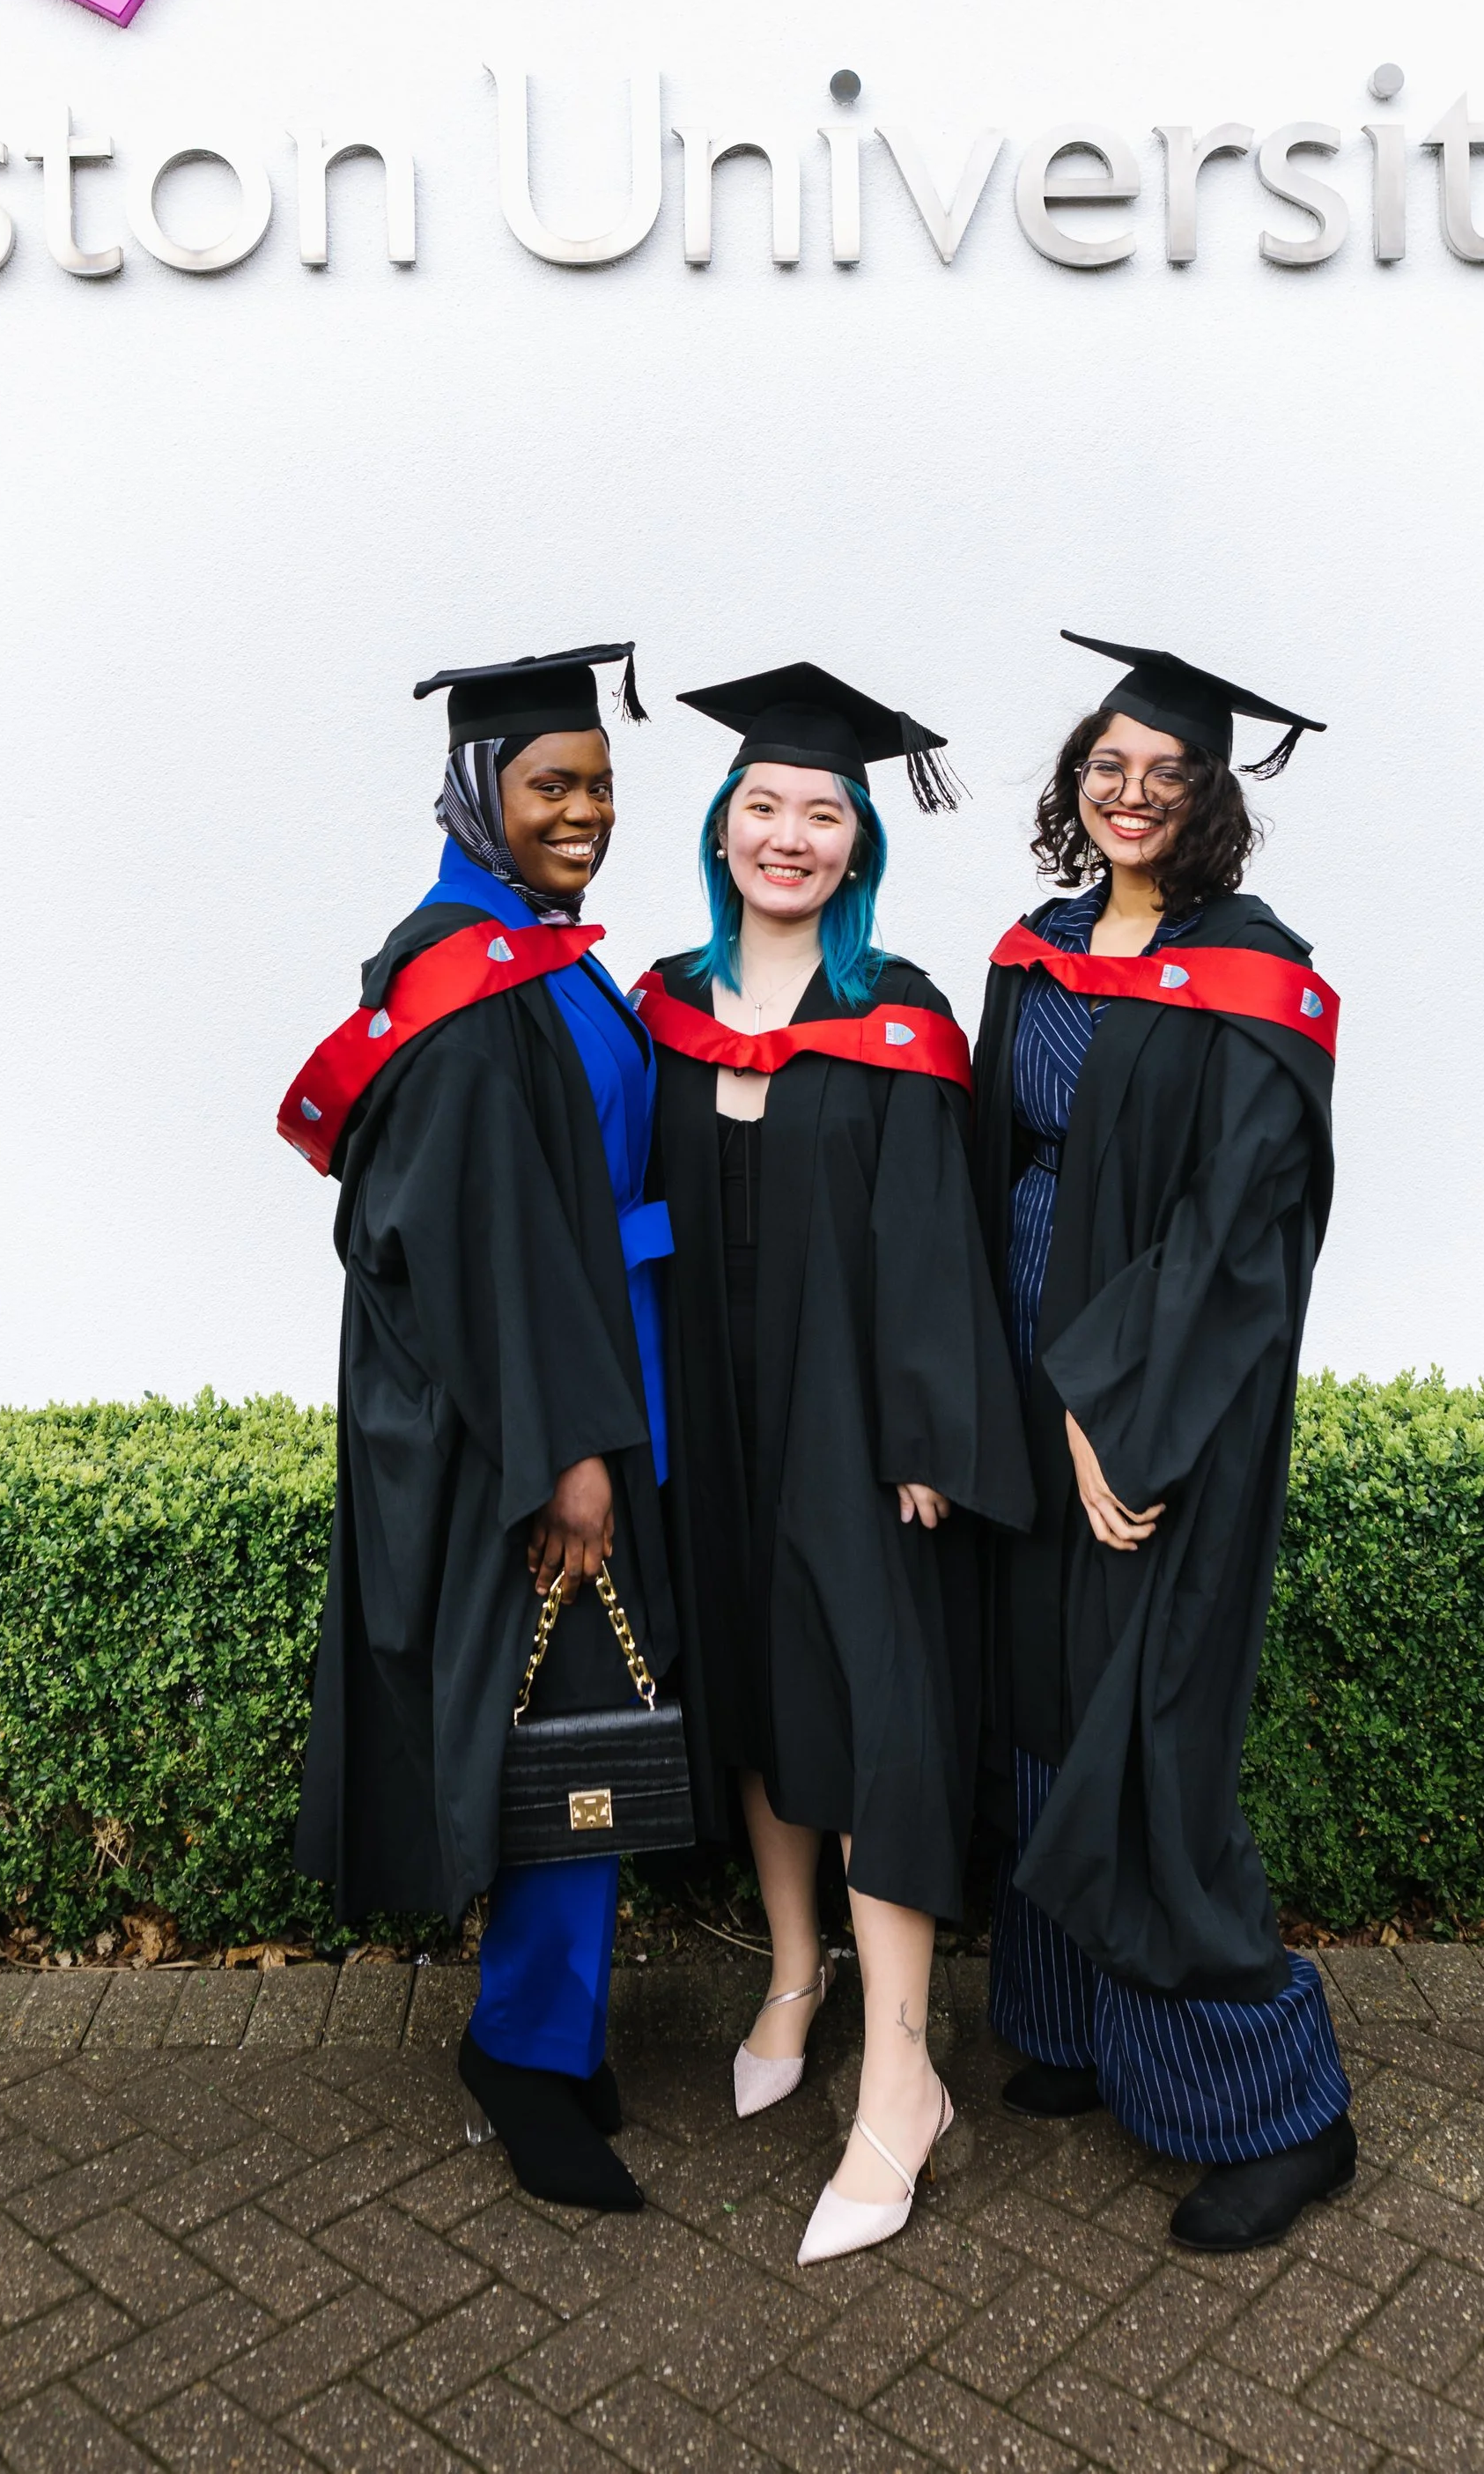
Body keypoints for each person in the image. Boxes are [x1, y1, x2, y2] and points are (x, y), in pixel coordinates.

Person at [630, 663, 1033, 2266]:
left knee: (872, 1726)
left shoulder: (900, 1014)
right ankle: (791, 1973)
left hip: (853, 1440)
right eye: (761, 810)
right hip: (707, 1430)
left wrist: (928, 1432)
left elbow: (940, 1237)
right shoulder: (658, 998)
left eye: (821, 813)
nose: (786, 835)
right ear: (721, 833)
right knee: (748, 1686)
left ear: (859, 844)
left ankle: (903, 2077)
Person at [284, 641, 679, 2215]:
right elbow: (465, 1246)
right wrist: (564, 1450)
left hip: (602, 1380)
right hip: (535, 1420)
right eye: (550, 786)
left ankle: (553, 2023)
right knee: (565, 1722)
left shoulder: (550, 955)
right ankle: (521, 2051)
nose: (582, 810)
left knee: (569, 1723)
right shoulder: (460, 975)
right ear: (477, 793)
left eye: (598, 786)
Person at [973, 632, 1355, 2254]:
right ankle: (1078, 2027)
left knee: (1146, 1728)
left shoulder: (1257, 971)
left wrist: (1109, 1411)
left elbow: (1243, 1225)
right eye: (1107, 765)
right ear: (1078, 781)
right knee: (1038, 1696)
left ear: (1210, 797)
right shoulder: (1036, 951)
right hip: (1020, 1376)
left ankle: (1281, 2113)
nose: (1130, 792)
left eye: (1165, 771)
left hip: (1154, 1405)